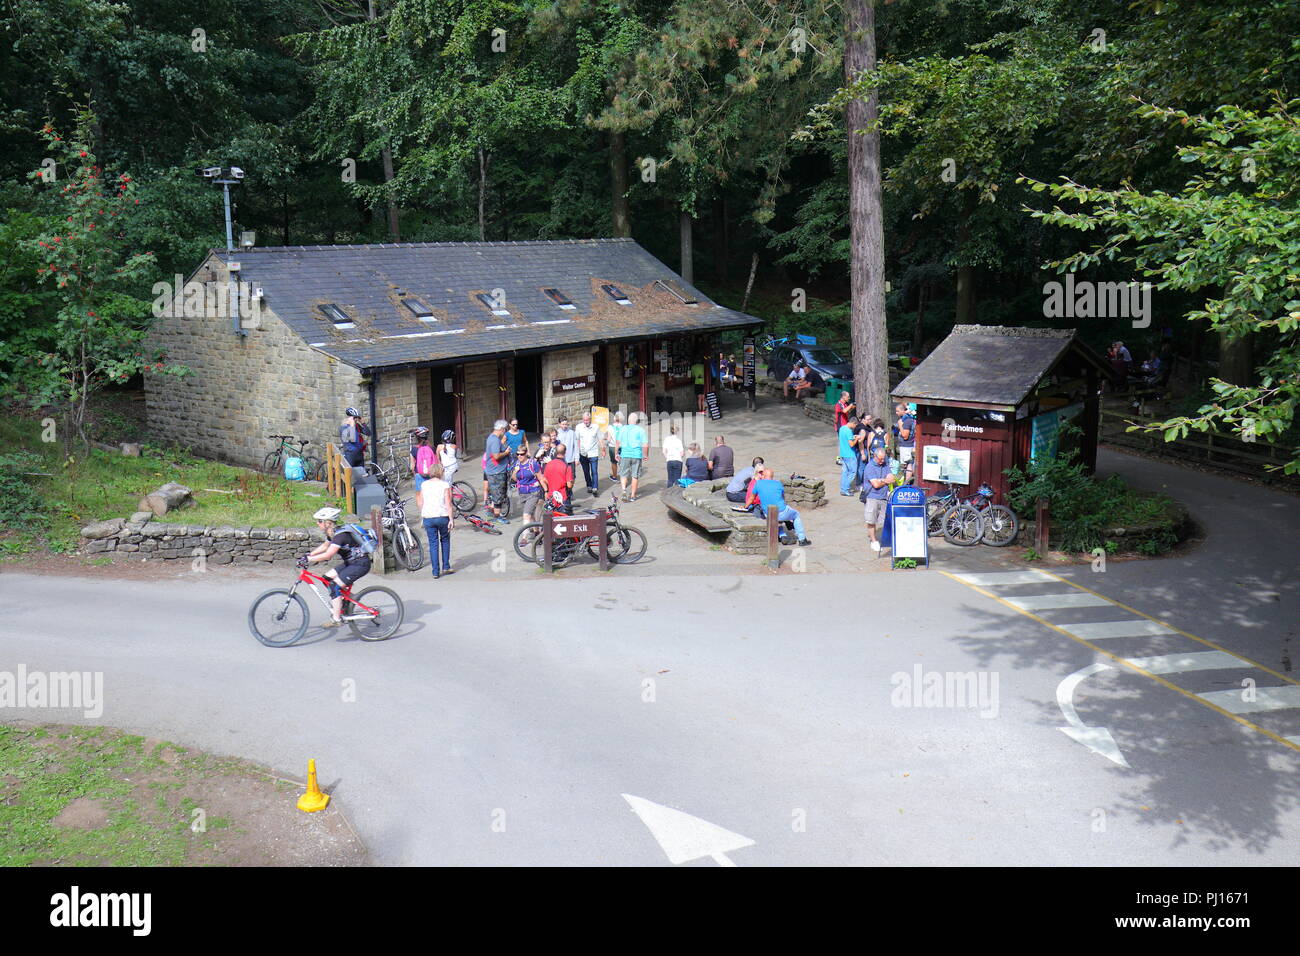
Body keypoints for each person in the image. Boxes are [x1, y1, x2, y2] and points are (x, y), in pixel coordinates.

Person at [305, 506, 370, 627]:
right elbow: (325, 547)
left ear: (328, 523)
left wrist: (309, 559)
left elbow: (328, 554)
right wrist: (308, 555)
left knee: (335, 586)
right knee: (326, 579)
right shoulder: (333, 533)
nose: (317, 523)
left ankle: (337, 619)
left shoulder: (340, 536)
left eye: (320, 521)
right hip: (351, 563)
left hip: (360, 564)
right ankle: (347, 601)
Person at [746, 468, 811, 547]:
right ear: (772, 477)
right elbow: (783, 498)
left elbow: (751, 498)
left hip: (768, 513)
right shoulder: (778, 484)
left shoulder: (758, 483)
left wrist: (745, 507)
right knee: (796, 515)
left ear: (764, 475)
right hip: (781, 511)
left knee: (776, 519)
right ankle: (802, 539)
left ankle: (782, 535)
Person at [416, 462, 455, 578]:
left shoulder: (424, 485)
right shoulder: (444, 485)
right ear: (440, 472)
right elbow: (448, 503)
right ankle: (446, 566)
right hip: (442, 516)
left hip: (428, 517)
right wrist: (451, 519)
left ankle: (435, 571)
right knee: (445, 540)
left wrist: (423, 514)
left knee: (433, 543)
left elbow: (420, 502)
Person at [861, 445, 892, 552]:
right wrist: (885, 480)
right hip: (872, 497)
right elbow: (875, 485)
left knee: (884, 520)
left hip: (884, 496)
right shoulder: (869, 467)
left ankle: (884, 539)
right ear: (875, 456)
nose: (882, 461)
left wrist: (882, 480)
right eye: (880, 459)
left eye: (883, 458)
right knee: (871, 520)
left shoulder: (885, 464)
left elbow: (891, 478)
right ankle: (873, 541)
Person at [484, 419, 512, 523]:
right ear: (501, 429)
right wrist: (506, 452)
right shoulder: (495, 440)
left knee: (496, 493)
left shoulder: (491, 438)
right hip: (496, 471)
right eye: (505, 429)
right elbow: (496, 456)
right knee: (498, 494)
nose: (505, 432)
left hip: (495, 470)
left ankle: (491, 511)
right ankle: (497, 516)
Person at [617, 412, 648, 501]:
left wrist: (616, 453)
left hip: (625, 454)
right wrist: (645, 455)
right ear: (636, 421)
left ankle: (623, 491)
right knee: (635, 475)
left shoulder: (622, 429)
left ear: (628, 420)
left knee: (623, 474)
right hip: (636, 455)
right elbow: (645, 444)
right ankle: (633, 495)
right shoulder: (640, 430)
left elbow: (618, 442)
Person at [539, 442, 575, 515]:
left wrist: (546, 491)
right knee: (566, 521)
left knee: (552, 521)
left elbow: (543, 480)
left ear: (555, 452)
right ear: (565, 452)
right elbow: (569, 485)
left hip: (551, 497)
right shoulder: (567, 467)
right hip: (562, 497)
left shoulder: (548, 464)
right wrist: (572, 482)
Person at [575, 411, 602, 496]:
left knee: (594, 471)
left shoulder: (596, 427)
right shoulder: (579, 427)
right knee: (586, 471)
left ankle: (595, 488)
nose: (586, 422)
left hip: (593, 452)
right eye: (584, 420)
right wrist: (577, 452)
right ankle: (589, 485)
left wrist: (603, 449)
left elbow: (600, 439)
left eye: (587, 420)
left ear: (590, 419)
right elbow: (577, 440)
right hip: (583, 453)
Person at [515, 447, 544, 524]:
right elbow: (514, 479)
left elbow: (541, 478)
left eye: (522, 454)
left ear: (526, 454)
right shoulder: (517, 464)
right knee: (530, 515)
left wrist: (547, 491)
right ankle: (536, 531)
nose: (519, 456)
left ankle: (525, 535)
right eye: (517, 454)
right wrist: (515, 471)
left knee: (526, 515)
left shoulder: (533, 464)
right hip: (522, 493)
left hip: (533, 492)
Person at [838, 415, 860, 496]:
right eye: (855, 425)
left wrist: (853, 437)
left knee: (845, 472)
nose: (855, 427)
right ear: (853, 423)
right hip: (850, 454)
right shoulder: (848, 431)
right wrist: (856, 439)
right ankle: (846, 489)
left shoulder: (842, 428)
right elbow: (851, 444)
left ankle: (843, 488)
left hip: (843, 454)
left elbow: (846, 439)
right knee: (852, 472)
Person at [556, 417, 579, 491]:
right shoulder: (557, 433)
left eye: (566, 424)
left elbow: (575, 446)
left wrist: (577, 458)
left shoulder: (572, 433)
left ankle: (570, 491)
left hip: (570, 459)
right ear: (559, 424)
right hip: (561, 460)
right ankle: (564, 491)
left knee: (572, 477)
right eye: (563, 424)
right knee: (562, 477)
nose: (564, 426)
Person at [834, 391, 856, 463]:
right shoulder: (839, 404)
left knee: (846, 441)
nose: (849, 398)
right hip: (840, 426)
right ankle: (839, 458)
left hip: (845, 425)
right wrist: (851, 405)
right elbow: (844, 411)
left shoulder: (845, 404)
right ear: (843, 397)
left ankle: (844, 457)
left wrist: (852, 407)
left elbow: (847, 412)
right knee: (841, 442)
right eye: (848, 396)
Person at [892, 402, 916, 468]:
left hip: (906, 446)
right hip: (904, 446)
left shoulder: (907, 420)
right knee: (905, 465)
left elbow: (905, 436)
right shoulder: (905, 419)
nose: (896, 413)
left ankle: (908, 478)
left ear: (903, 411)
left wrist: (900, 424)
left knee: (908, 465)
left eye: (898, 411)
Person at [409, 426, 433, 490]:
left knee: (420, 495)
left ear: (417, 437)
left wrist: (415, 475)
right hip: (432, 475)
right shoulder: (432, 448)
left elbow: (412, 466)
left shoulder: (414, 449)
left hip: (419, 474)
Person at [606, 411, 624, 481]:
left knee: (614, 462)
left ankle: (614, 476)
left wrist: (605, 442)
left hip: (613, 447)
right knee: (622, 462)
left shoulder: (610, 427)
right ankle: (623, 476)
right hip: (621, 446)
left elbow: (609, 439)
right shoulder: (623, 427)